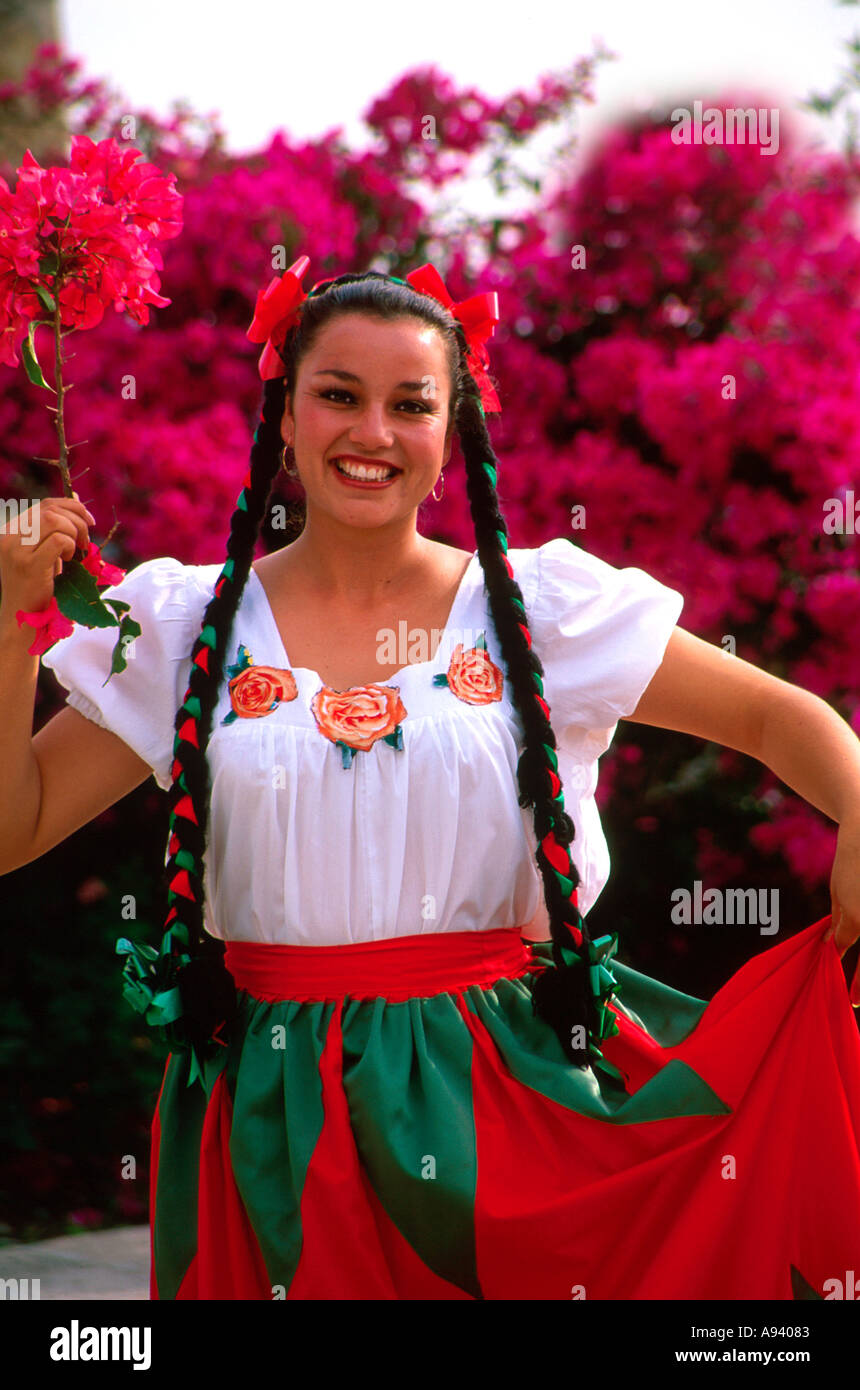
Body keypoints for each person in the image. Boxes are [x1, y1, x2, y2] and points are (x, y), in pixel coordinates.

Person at [2, 258, 859, 1302]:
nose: (371, 431)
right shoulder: (184, 625)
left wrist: (855, 811)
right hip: (271, 1102)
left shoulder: (536, 607)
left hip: (506, 1098)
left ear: (450, 431)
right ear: (283, 413)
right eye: (336, 395)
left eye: (410, 404)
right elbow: (18, 825)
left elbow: (781, 715)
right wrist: (10, 623)